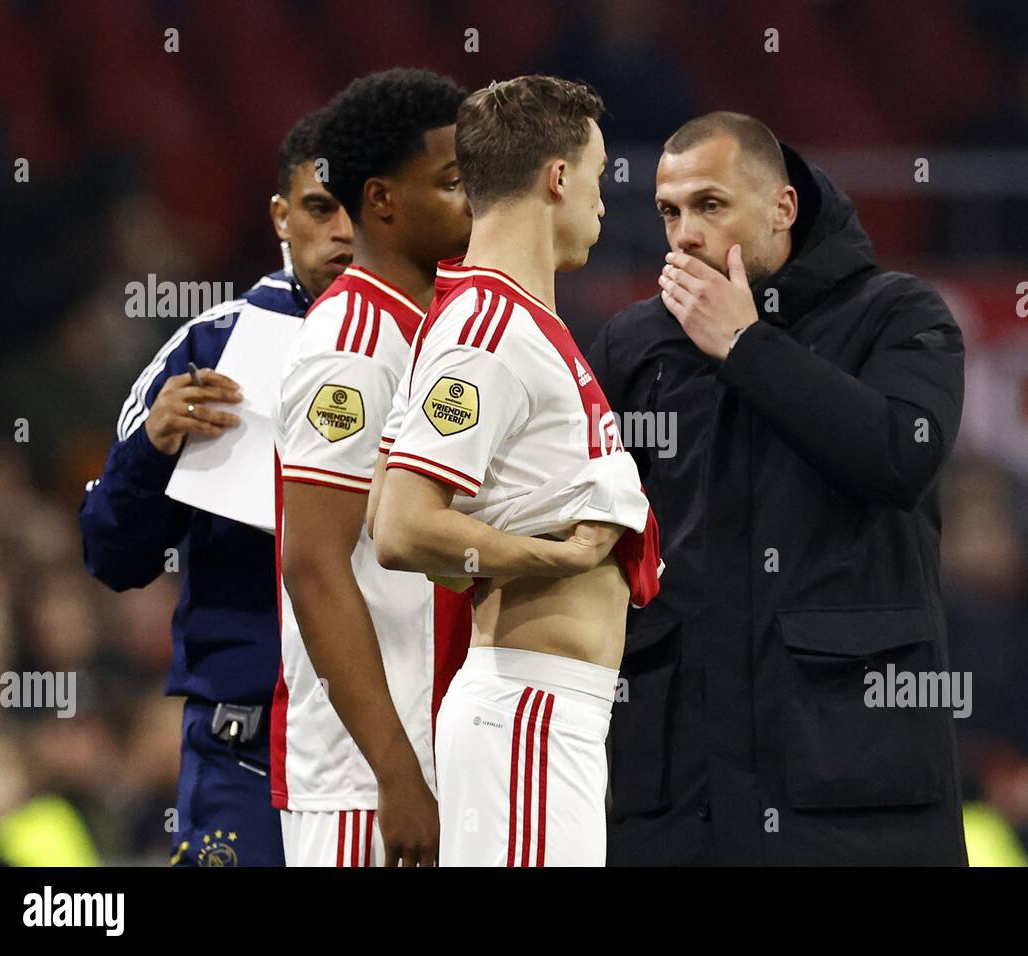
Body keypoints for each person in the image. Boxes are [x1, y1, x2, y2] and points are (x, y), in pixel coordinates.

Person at [588, 111, 968, 865]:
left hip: (853, 793)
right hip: (675, 790)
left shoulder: (898, 315)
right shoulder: (635, 345)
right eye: (670, 212)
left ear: (782, 208)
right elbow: (596, 532)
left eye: (710, 205)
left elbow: (898, 456)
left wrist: (745, 345)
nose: (686, 234)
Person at [371, 75, 661, 867]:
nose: (603, 202)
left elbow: (381, 504)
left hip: (548, 715)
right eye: (599, 178)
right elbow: (398, 528)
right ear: (558, 177)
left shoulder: (511, 322)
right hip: (530, 711)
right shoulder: (488, 329)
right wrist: (553, 556)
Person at [78, 110, 352, 867]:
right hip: (246, 737)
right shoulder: (212, 345)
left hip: (398, 734)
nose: (342, 232)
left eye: (360, 207)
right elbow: (111, 552)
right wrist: (153, 449)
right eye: (319, 209)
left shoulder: (443, 350)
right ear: (280, 217)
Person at [272, 68, 472, 868]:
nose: (472, 202)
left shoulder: (439, 324)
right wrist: (396, 773)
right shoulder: (351, 344)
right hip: (365, 784)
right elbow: (313, 564)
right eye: (452, 182)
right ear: (384, 201)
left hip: (440, 754)